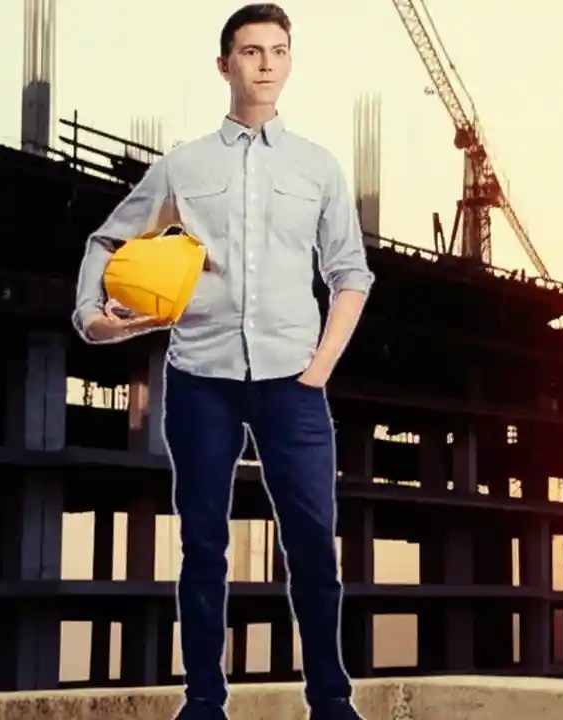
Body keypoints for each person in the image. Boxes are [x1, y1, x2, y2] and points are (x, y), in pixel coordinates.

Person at [71, 4, 372, 719]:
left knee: (311, 547)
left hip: (293, 383)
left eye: (277, 50)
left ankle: (330, 699)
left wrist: (322, 366)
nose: (265, 63)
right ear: (224, 64)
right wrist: (92, 320)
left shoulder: (318, 167)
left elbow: (350, 273)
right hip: (201, 378)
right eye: (249, 51)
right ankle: (203, 700)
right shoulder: (183, 165)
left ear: (289, 62)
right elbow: (106, 241)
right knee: (202, 543)